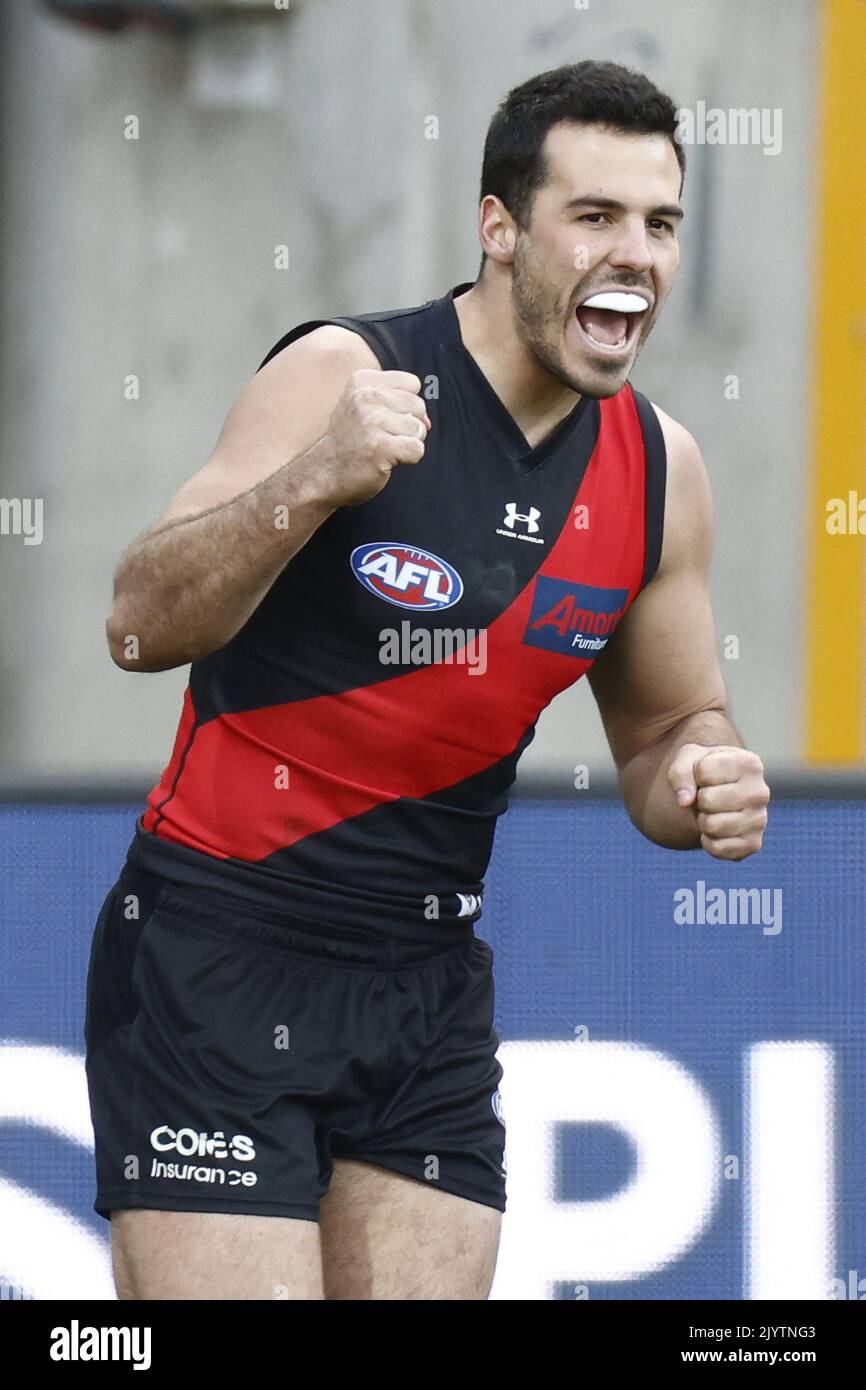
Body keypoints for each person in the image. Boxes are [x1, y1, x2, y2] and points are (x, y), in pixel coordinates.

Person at [85, 59, 770, 1301]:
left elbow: (667, 728)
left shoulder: (660, 473)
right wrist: (313, 481)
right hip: (214, 954)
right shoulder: (344, 376)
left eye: (660, 224)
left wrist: (700, 776)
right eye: (595, 215)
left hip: (425, 988)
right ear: (498, 229)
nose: (636, 254)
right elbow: (138, 621)